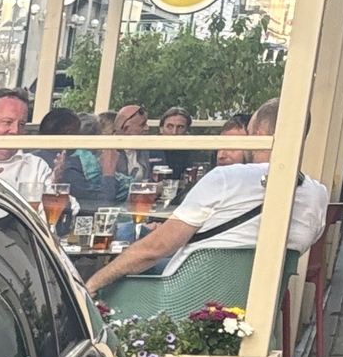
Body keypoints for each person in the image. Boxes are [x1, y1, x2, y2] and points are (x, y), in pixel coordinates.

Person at [83, 98, 329, 296]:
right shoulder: (317, 194)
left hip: (182, 296)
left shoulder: (226, 178)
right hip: (248, 301)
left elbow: (154, 249)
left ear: (260, 134)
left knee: (120, 260)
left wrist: (93, 283)